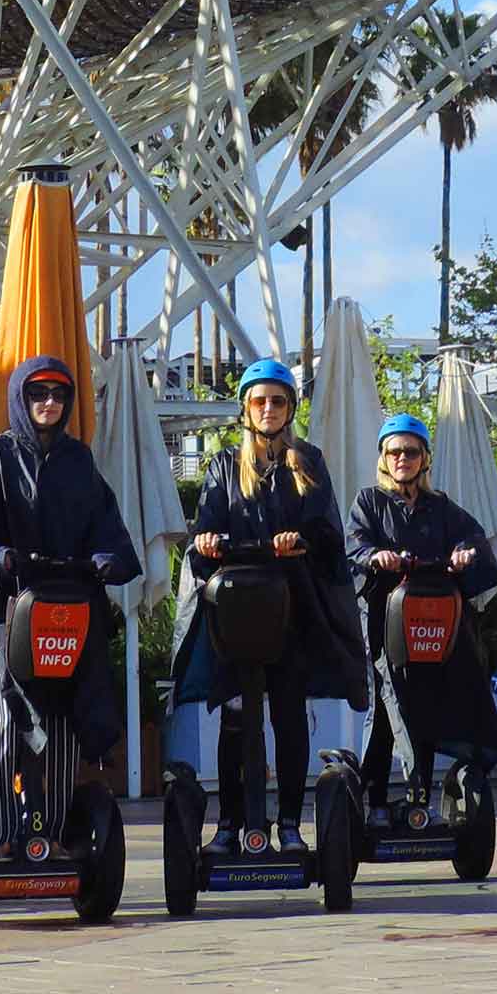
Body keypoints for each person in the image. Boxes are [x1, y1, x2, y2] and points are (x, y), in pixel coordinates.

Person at [170, 359, 369, 854]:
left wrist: (299, 538)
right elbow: (204, 526)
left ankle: (287, 825)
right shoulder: (222, 465)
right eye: (259, 400)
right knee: (236, 714)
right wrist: (210, 540)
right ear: (245, 408)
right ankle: (229, 826)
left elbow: (328, 532)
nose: (268, 408)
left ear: (289, 407)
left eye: (277, 400)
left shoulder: (309, 461)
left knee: (287, 713)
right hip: (236, 613)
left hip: (291, 611)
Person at [0, 355, 141, 860]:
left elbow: (107, 525)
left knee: (65, 720)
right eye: (38, 393)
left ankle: (56, 833)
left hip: (68, 609)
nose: (49, 402)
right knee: (10, 716)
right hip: (12, 612)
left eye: (59, 394)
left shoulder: (78, 459)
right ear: (20, 399)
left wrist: (111, 561)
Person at [347, 414, 497, 827]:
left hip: (434, 627)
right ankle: (378, 800)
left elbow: (471, 539)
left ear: (424, 458)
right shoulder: (369, 502)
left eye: (411, 451)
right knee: (388, 705)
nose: (403, 458)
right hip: (385, 623)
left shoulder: (441, 507)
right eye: (395, 451)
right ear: (383, 457)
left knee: (433, 699)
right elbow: (354, 548)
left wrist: (464, 554)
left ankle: (424, 795)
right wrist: (374, 557)